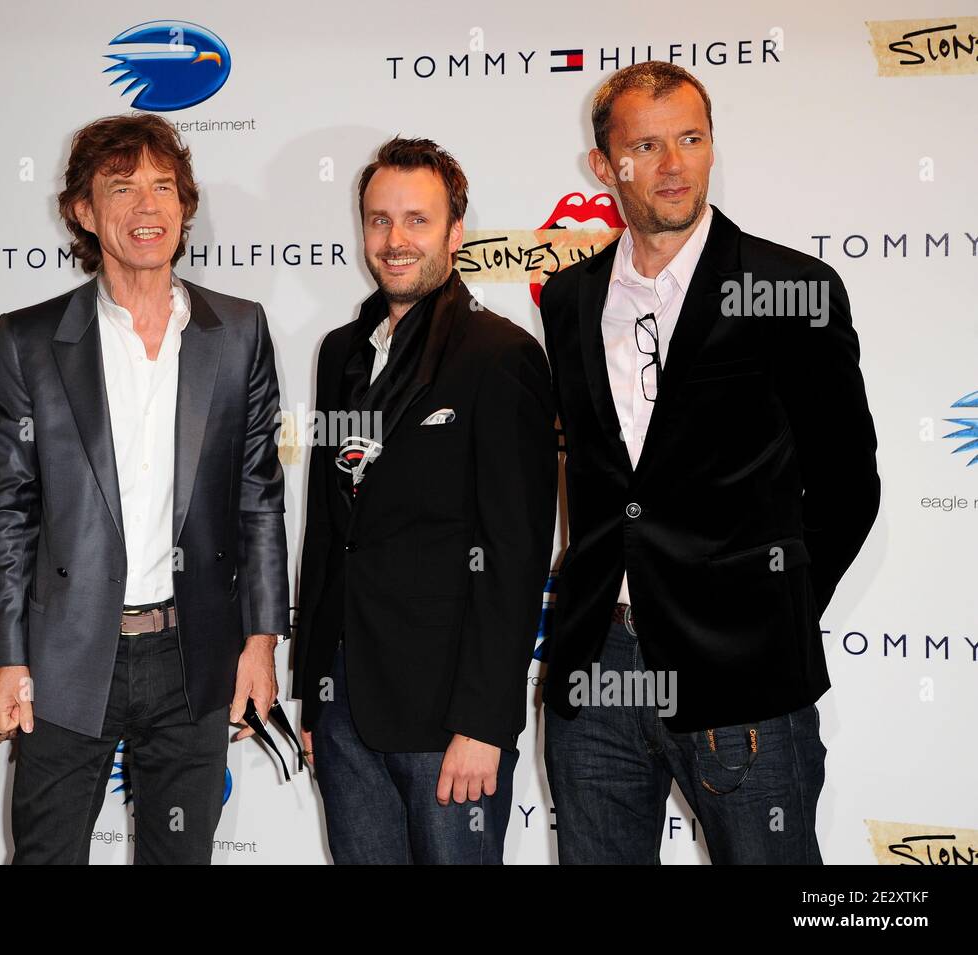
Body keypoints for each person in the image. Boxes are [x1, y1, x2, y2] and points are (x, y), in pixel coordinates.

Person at [538, 62, 880, 864]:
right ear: (603, 167)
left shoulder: (789, 286)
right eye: (647, 145)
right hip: (599, 668)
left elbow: (848, 484)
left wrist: (769, 606)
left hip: (744, 676)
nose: (673, 164)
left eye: (691, 139)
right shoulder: (570, 299)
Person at [0, 113, 290, 865]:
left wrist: (261, 637)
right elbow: (11, 508)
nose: (146, 207)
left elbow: (259, 494)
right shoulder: (29, 340)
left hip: (194, 651)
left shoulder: (240, 330)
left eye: (163, 186)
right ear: (84, 213)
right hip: (67, 654)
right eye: (121, 188)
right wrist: (10, 654)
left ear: (185, 205)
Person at [293, 137, 555, 864]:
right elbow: (327, 529)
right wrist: (314, 694)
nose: (395, 239)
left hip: (448, 717)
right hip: (344, 704)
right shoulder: (341, 351)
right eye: (379, 220)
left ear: (455, 233)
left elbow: (516, 554)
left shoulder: (499, 356)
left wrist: (486, 721)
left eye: (416, 220)